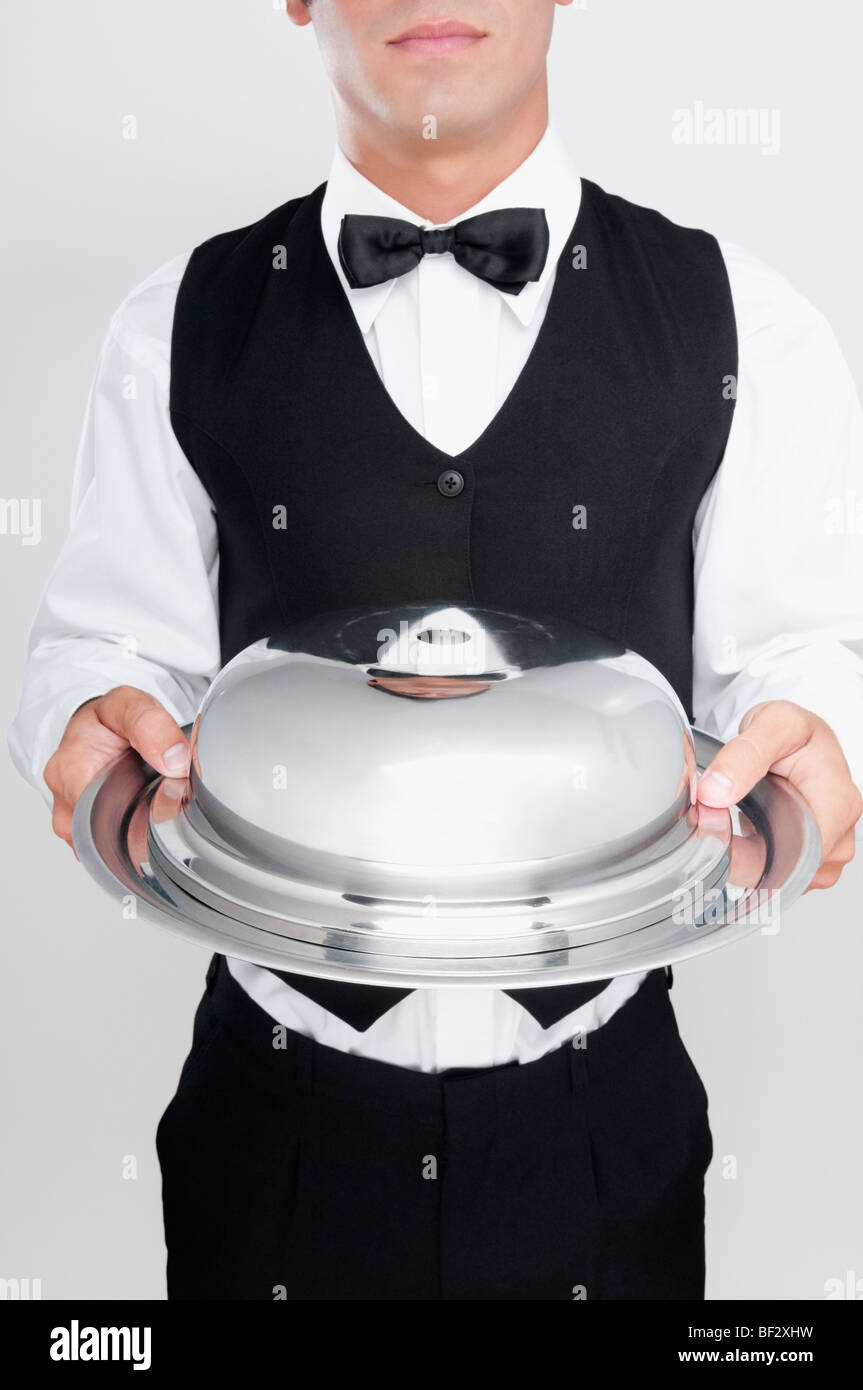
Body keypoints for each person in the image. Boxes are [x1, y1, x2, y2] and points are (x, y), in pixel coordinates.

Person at [8, 0, 863, 1300]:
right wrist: (85, 715)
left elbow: (800, 657)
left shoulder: (745, 320)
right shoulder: (171, 324)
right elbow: (107, 651)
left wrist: (823, 727)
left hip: (604, 1137)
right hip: (272, 1137)